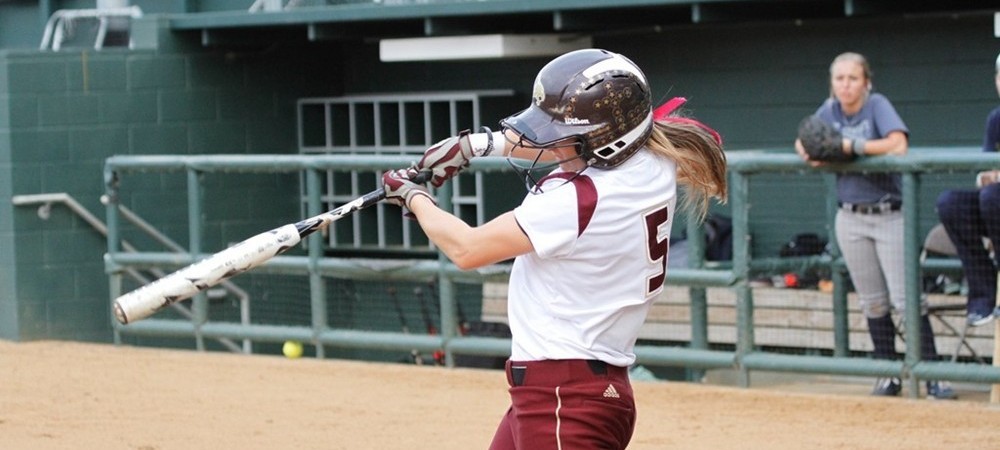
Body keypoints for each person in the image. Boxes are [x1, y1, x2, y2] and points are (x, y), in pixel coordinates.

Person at [380, 49, 728, 449]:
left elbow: (466, 249)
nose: (550, 142)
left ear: (604, 143)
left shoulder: (578, 199)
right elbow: (571, 144)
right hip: (568, 390)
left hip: (564, 397)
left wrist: (412, 197)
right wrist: (474, 146)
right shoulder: (652, 159)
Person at [794, 52, 956, 399]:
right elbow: (804, 144)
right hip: (850, 217)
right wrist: (818, 149)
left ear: (866, 82)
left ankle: (933, 374)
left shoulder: (876, 104)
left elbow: (898, 145)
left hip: (889, 214)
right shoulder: (830, 109)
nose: (846, 85)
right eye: (840, 79)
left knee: (906, 299)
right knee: (873, 302)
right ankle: (887, 373)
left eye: (853, 79)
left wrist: (850, 147)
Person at [935, 51, 1000, 327]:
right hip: (995, 206)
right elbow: (986, 167)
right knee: (951, 202)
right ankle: (984, 292)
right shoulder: (996, 118)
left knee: (991, 196)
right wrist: (985, 176)